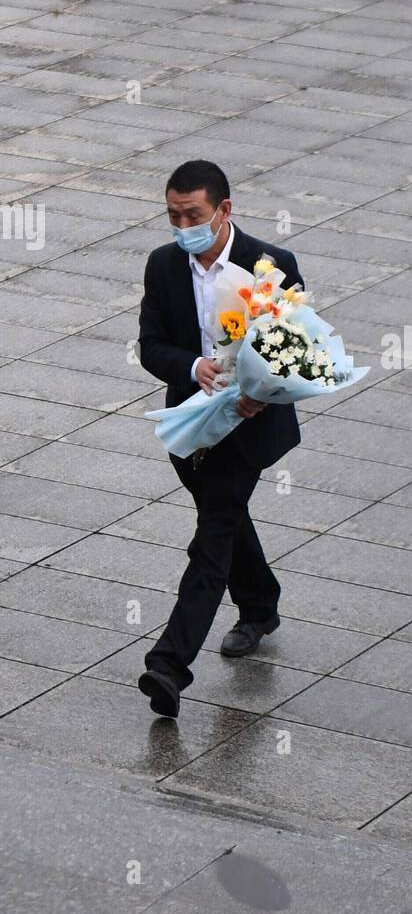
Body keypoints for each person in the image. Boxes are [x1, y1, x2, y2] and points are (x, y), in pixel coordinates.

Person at [136, 160, 303, 717]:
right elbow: (152, 346)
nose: (183, 225)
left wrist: (264, 391)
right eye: (173, 215)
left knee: (212, 537)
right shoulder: (164, 266)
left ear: (224, 210)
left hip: (249, 426)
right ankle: (260, 605)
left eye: (193, 215)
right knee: (225, 518)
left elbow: (294, 354)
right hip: (192, 424)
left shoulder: (271, 265)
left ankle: (169, 664)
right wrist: (193, 367)